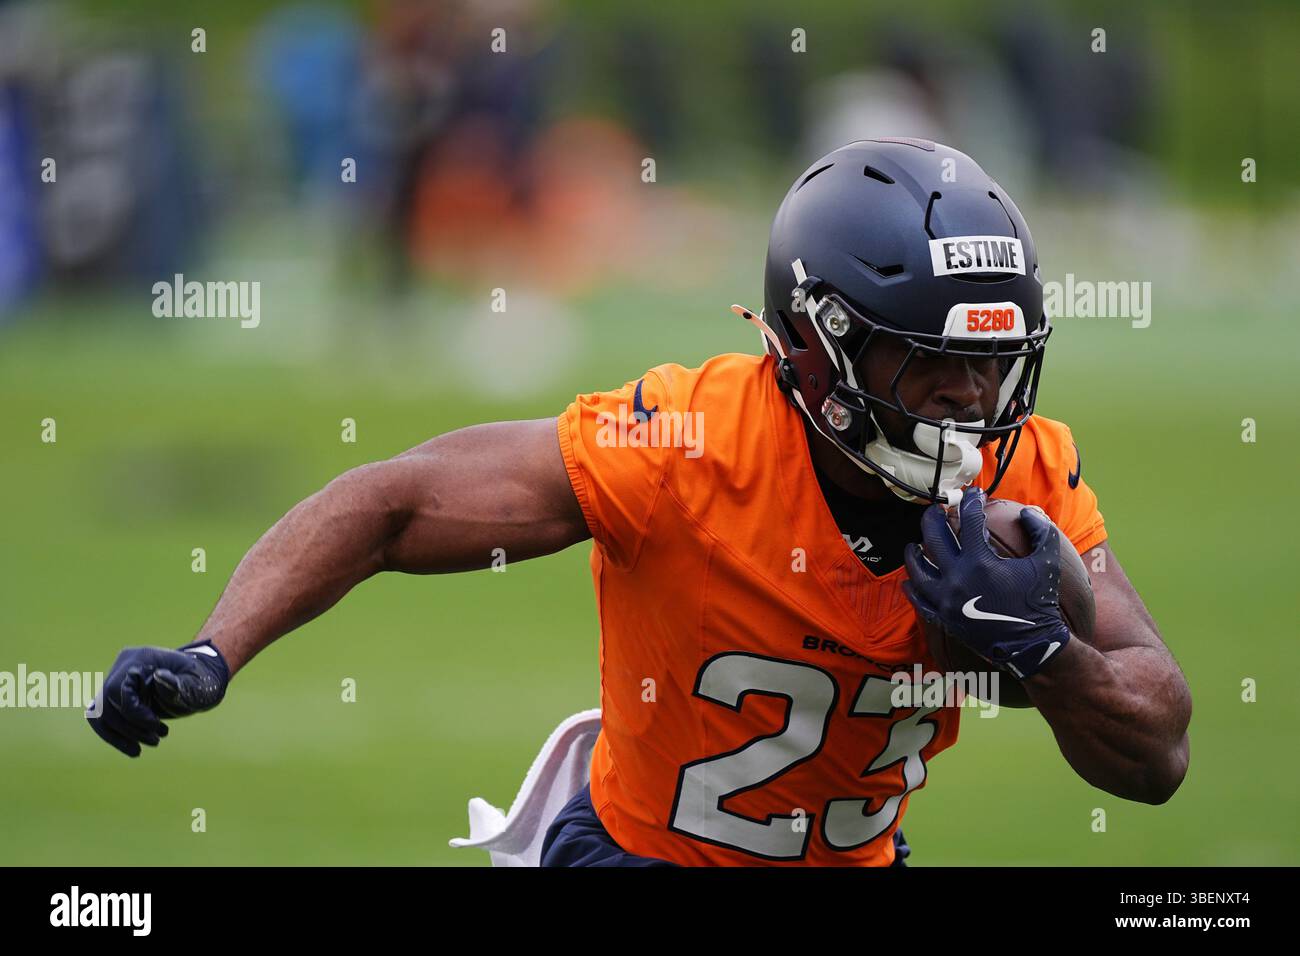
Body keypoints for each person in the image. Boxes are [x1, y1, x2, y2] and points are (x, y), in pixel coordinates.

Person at [88, 138, 1191, 866]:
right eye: (925, 362)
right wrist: (213, 650)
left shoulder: (1023, 472)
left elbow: (1158, 752)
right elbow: (394, 503)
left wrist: (1048, 656)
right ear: (813, 351)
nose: (968, 401)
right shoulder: (685, 443)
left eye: (987, 365)